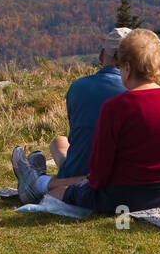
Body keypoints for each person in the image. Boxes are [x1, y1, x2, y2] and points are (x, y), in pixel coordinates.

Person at [11, 29, 160, 213]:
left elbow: (100, 171)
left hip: (125, 197)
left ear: (127, 68)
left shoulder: (116, 107)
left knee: (56, 194)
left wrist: (78, 187)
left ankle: (38, 185)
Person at [17, 27, 130, 181]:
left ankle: (39, 181)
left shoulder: (78, 87)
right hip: (126, 176)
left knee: (59, 142)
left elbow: (77, 137)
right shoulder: (139, 91)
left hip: (80, 175)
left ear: (102, 55)